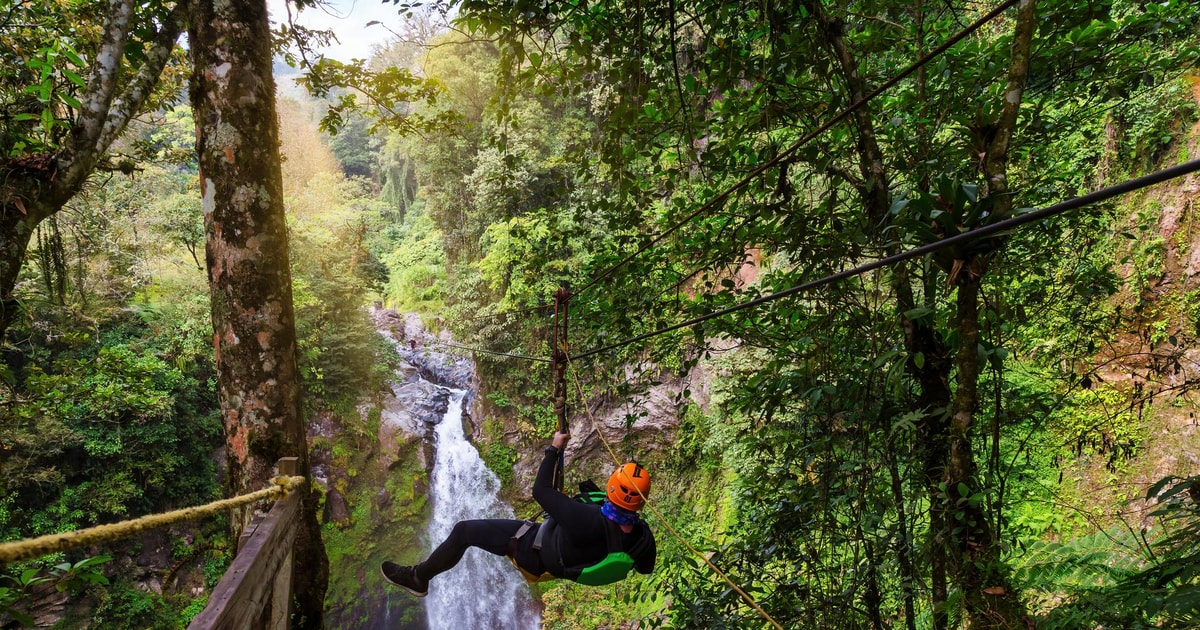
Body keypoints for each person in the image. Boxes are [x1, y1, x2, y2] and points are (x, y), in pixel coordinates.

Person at [382, 431, 656, 596]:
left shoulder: (584, 519)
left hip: (531, 550)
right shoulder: (644, 539)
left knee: (464, 531)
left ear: (611, 488)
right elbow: (644, 568)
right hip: (561, 561)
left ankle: (418, 577)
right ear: (641, 501)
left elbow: (541, 490)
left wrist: (553, 449)